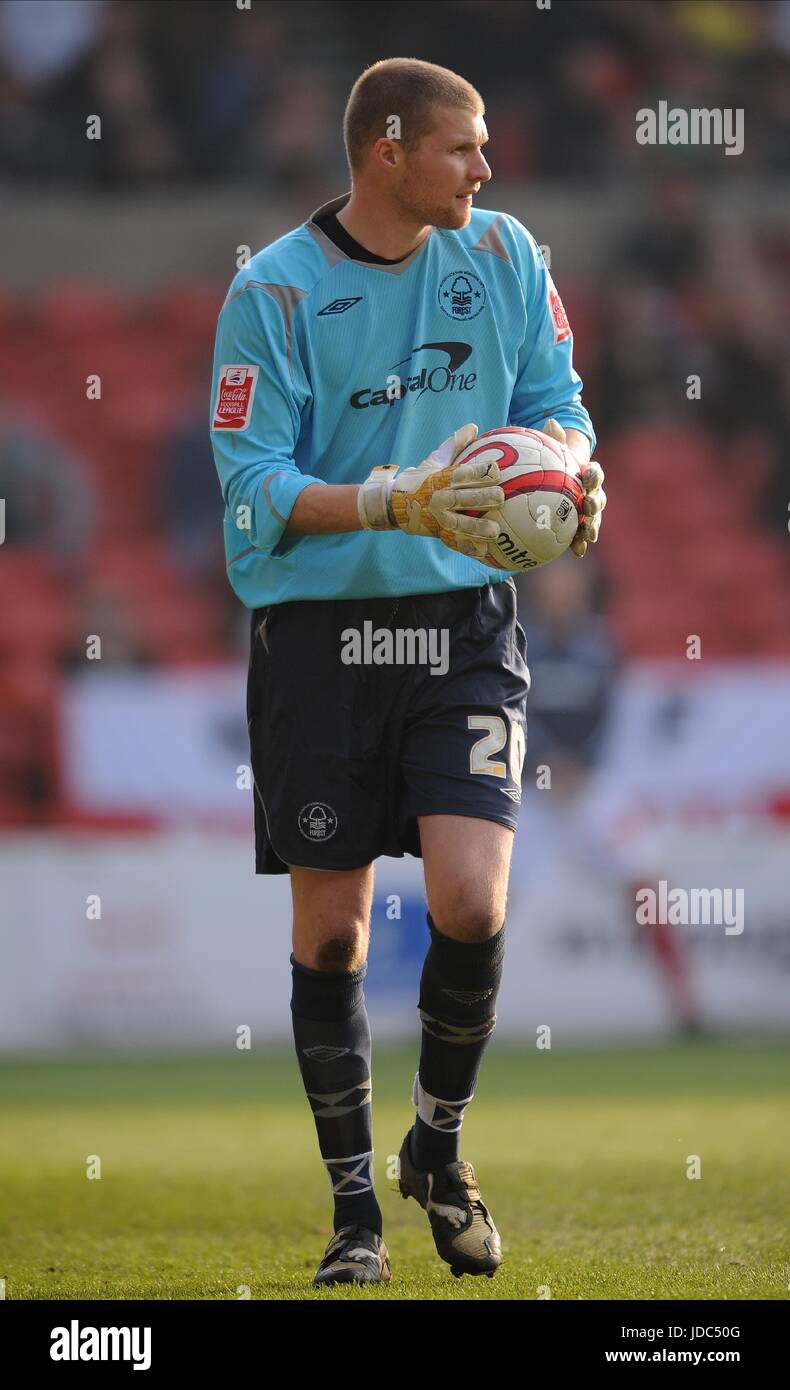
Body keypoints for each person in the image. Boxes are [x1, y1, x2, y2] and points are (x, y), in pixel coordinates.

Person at [209, 57, 605, 1287]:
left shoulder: (502, 257)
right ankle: (353, 1217)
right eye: (463, 148)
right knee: (329, 935)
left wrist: (572, 473)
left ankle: (436, 1147)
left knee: (470, 902)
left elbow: (561, 404)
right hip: (320, 641)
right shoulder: (272, 293)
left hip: (461, 625)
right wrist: (398, 497)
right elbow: (250, 495)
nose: (485, 170)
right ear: (386, 148)